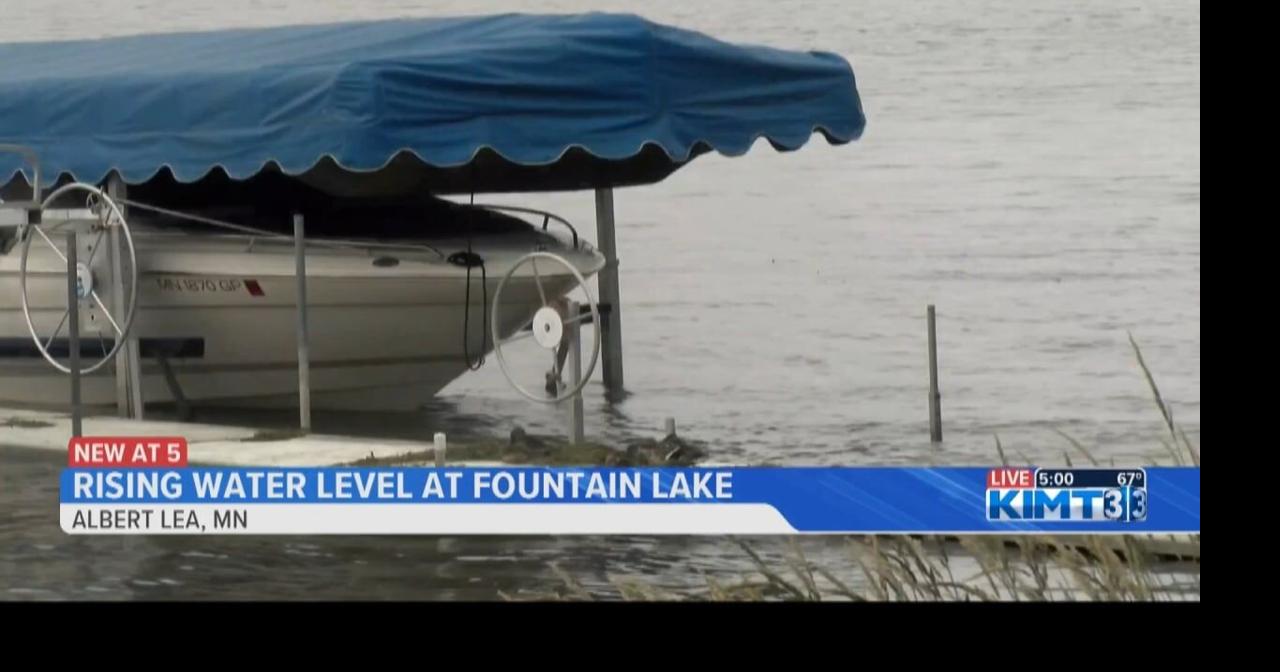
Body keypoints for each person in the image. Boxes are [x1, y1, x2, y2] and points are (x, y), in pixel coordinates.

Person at [545, 297, 572, 395]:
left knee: (565, 342)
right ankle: (554, 376)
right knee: (565, 341)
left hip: (556, 304)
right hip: (555, 306)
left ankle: (554, 374)